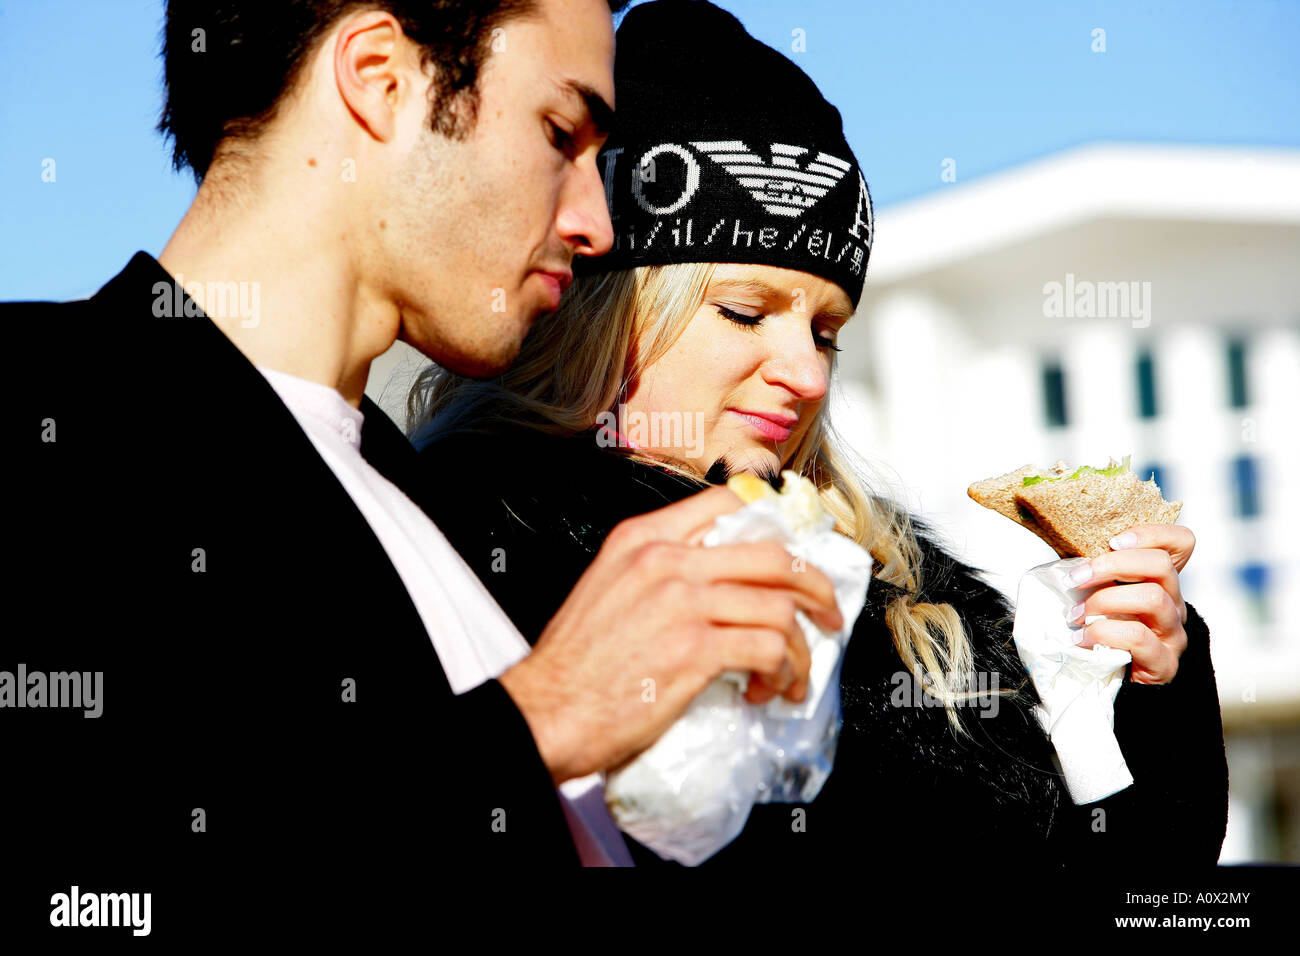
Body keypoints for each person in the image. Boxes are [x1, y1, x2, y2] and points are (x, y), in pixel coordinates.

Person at [1, 0, 848, 932]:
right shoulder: (49, 412)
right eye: (561, 132)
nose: (597, 222)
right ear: (378, 78)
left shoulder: (438, 515)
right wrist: (538, 723)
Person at [406, 0, 1229, 869]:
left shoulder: (915, 594)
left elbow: (1147, 891)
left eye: (828, 331)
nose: (804, 374)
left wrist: (1135, 690)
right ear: (598, 312)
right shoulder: (463, 544)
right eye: (743, 310)